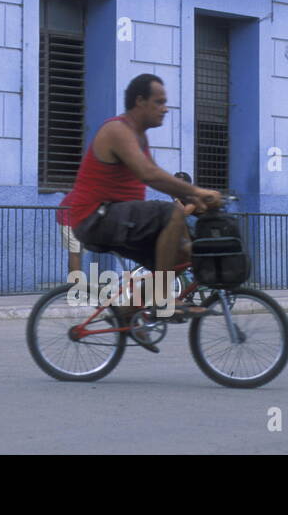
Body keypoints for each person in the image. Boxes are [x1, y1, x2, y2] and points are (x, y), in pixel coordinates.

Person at [59, 74, 222, 329]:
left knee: (179, 256)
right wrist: (198, 192)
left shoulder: (140, 138)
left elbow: (158, 176)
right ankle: (159, 301)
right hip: (95, 216)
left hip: (117, 219)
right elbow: (150, 175)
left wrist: (195, 199)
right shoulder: (117, 130)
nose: (165, 108)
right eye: (159, 102)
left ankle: (127, 312)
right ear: (140, 101)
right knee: (173, 213)